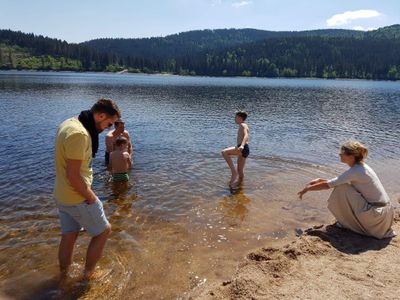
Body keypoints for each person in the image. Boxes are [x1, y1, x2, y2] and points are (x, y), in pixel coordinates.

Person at [54, 98, 121, 279]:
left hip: (62, 194)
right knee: (103, 231)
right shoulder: (80, 135)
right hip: (77, 196)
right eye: (109, 123)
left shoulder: (69, 123)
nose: (109, 127)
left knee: (69, 234)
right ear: (100, 115)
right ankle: (88, 274)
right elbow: (73, 175)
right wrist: (91, 198)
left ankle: (64, 275)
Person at [297, 141, 395, 239]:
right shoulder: (362, 167)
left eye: (341, 153)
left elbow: (329, 185)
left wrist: (307, 189)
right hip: (385, 215)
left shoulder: (355, 171)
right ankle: (348, 221)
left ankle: (345, 222)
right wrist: (320, 180)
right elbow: (336, 181)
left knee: (341, 188)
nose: (339, 154)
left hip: (376, 218)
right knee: (343, 185)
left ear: (351, 157)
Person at [222, 111, 250, 187]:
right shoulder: (244, 125)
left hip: (242, 147)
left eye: (236, 117)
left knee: (224, 152)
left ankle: (233, 172)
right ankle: (241, 185)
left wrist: (242, 145)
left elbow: (246, 135)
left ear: (240, 118)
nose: (234, 119)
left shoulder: (242, 125)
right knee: (240, 171)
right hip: (245, 149)